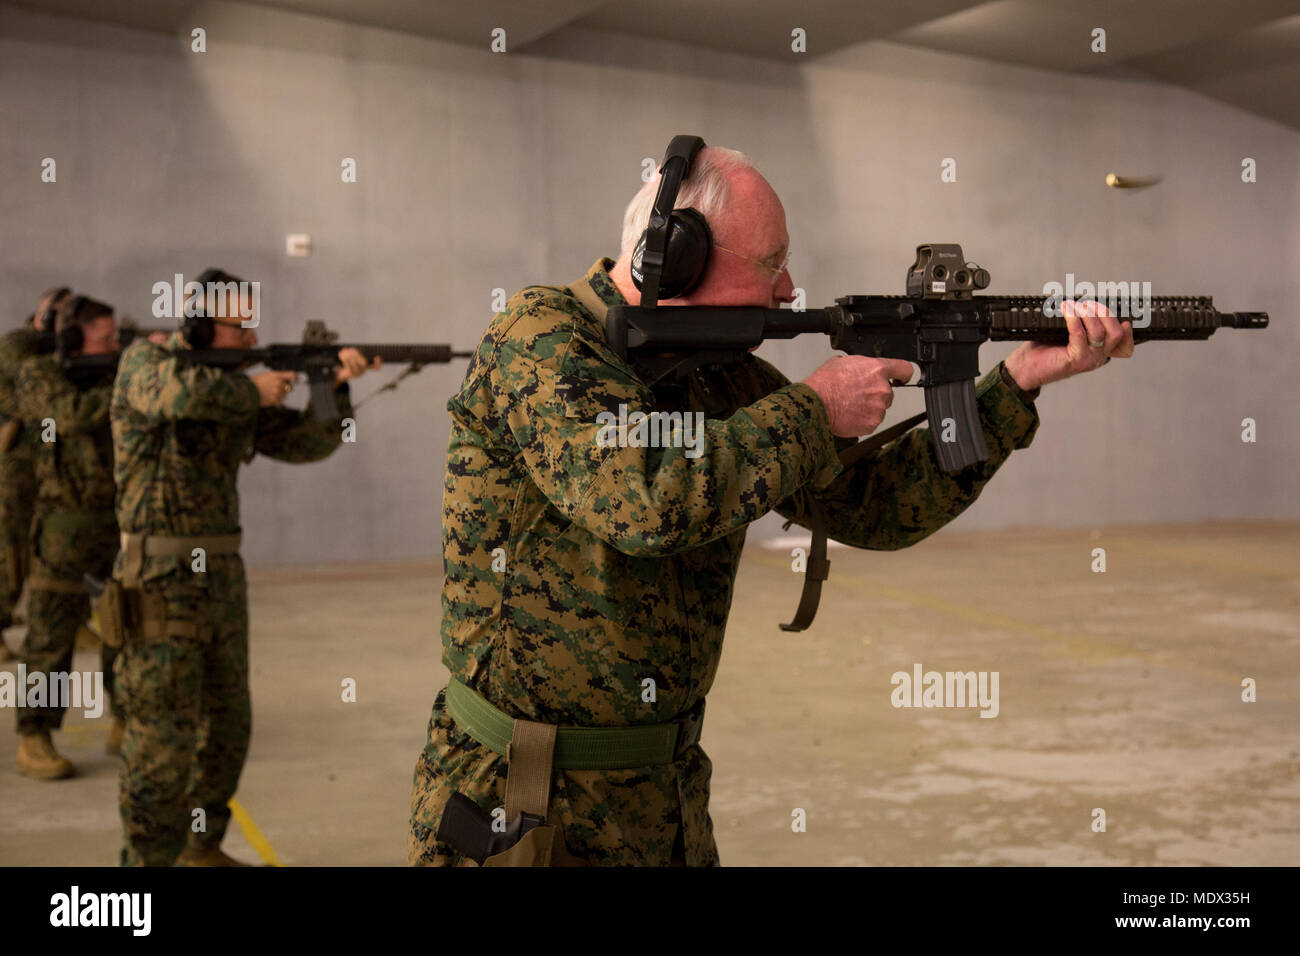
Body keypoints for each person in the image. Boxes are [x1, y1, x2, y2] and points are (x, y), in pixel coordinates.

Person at [408, 141, 1133, 866]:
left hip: (664, 794)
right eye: (769, 262)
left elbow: (877, 506)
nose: (788, 287)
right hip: (526, 799)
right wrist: (815, 408)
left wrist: (1015, 384)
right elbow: (641, 497)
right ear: (676, 256)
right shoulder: (539, 336)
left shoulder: (725, 379)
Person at [110, 269, 378, 866]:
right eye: (240, 328)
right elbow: (176, 397)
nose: (253, 340)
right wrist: (253, 392)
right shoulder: (144, 365)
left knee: (228, 725)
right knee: (160, 741)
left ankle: (200, 848)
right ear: (201, 323)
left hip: (220, 578)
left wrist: (333, 387)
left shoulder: (237, 388)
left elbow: (308, 444)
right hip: (158, 578)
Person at [0, 286, 71, 660]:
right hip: (13, 463)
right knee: (9, 549)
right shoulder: (19, 344)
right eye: (58, 315)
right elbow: (31, 384)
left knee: (51, 546)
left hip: (46, 461)